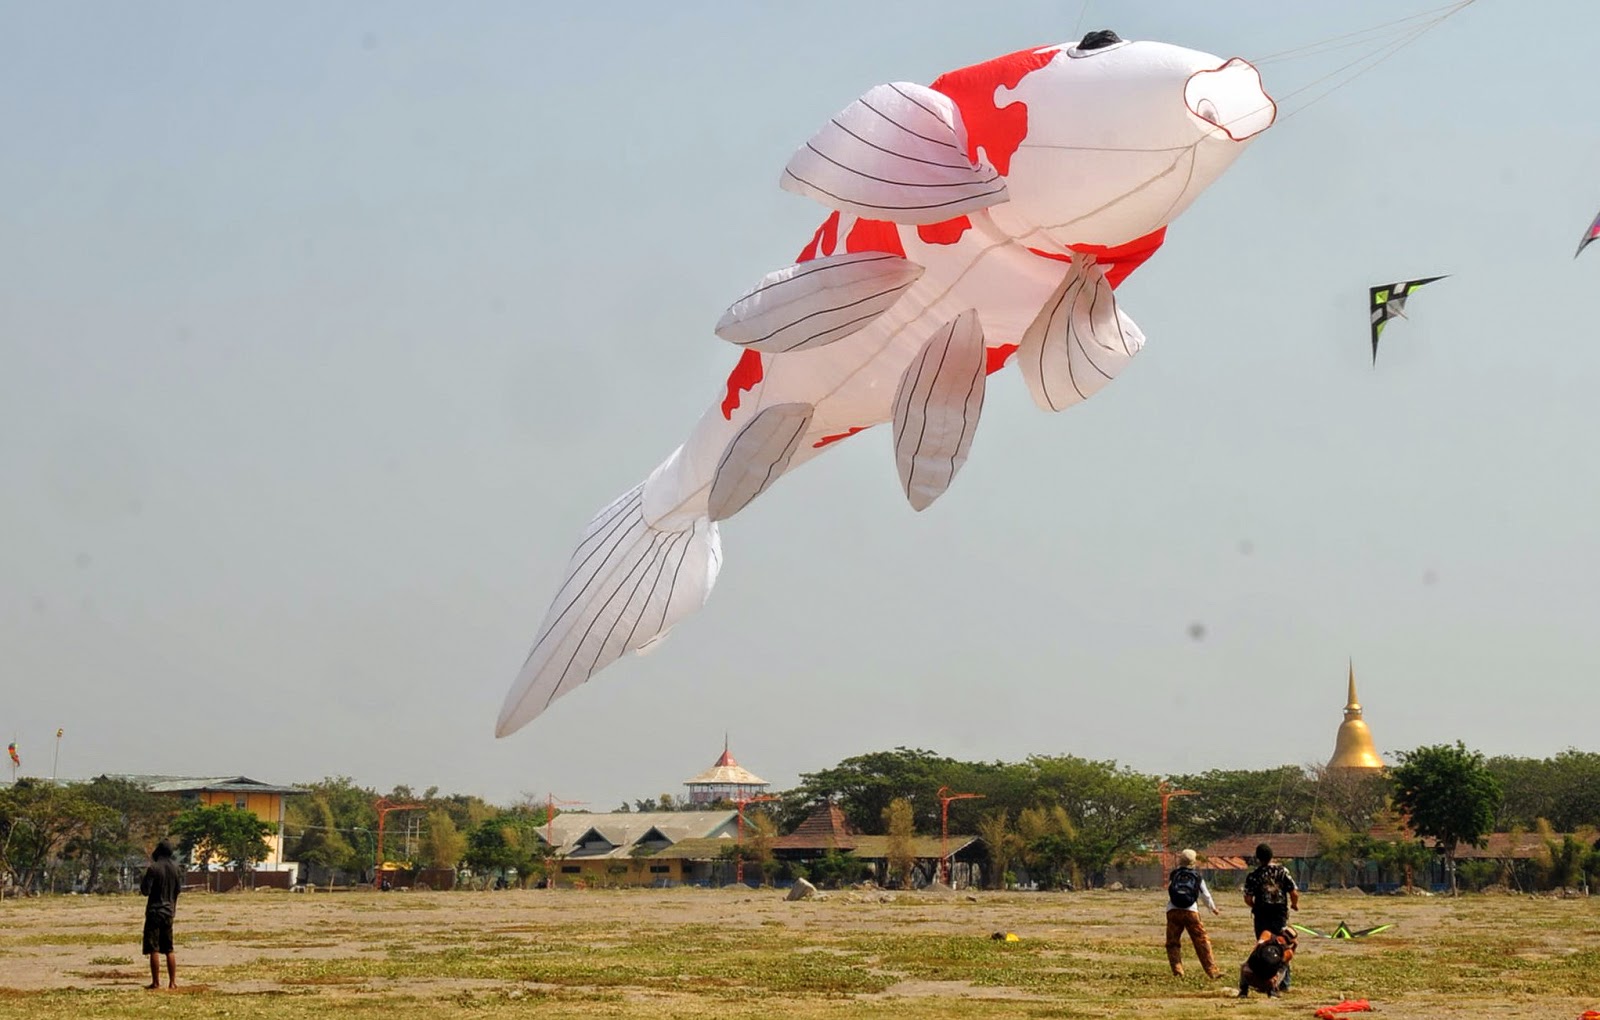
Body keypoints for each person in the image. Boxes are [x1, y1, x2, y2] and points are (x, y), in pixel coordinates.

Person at [1163, 848, 1221, 978]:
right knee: (1201, 940)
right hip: (1191, 912)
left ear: (1180, 860)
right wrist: (1213, 908)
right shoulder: (1196, 876)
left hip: (1173, 911)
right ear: (1194, 861)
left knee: (1172, 942)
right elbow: (1205, 895)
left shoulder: (1174, 874)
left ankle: (1178, 970)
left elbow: (1171, 890)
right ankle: (1212, 971)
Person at [139, 840, 182, 990]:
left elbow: (145, 891)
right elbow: (177, 891)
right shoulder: (176, 869)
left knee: (154, 949)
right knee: (169, 949)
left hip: (154, 912)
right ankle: (172, 982)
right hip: (169, 912)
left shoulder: (153, 868)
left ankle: (156, 982)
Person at [1242, 842, 1299, 938]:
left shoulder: (1253, 875)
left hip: (1261, 914)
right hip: (1279, 913)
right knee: (1280, 941)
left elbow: (1248, 898)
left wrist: (1255, 906)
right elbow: (1294, 893)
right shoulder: (1282, 871)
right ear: (1271, 855)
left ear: (1258, 858)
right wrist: (1294, 904)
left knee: (1262, 941)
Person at [1238, 925, 1298, 997]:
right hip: (1268, 983)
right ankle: (1273, 990)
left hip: (1248, 974)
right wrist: (1294, 946)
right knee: (1284, 966)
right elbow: (1287, 959)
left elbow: (1256, 949)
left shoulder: (1267, 934)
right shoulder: (1288, 952)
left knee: (1246, 963)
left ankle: (1243, 991)